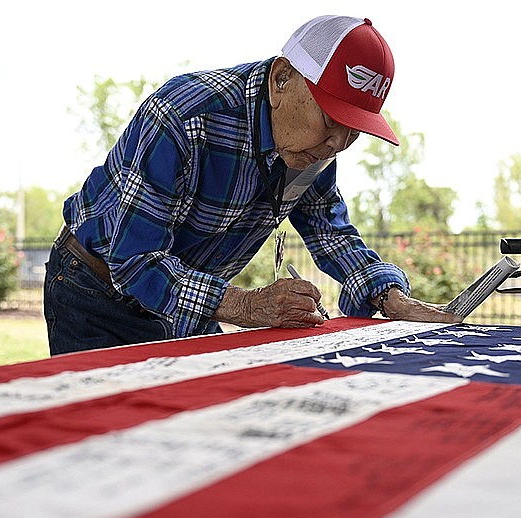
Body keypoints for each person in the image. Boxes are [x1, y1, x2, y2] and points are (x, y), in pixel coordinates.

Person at [44, 14, 461, 355]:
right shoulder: (185, 115)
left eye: (355, 129)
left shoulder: (312, 148)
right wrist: (249, 305)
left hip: (188, 299)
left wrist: (388, 296)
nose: (338, 144)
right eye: (331, 118)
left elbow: (331, 233)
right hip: (96, 291)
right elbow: (135, 259)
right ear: (281, 79)